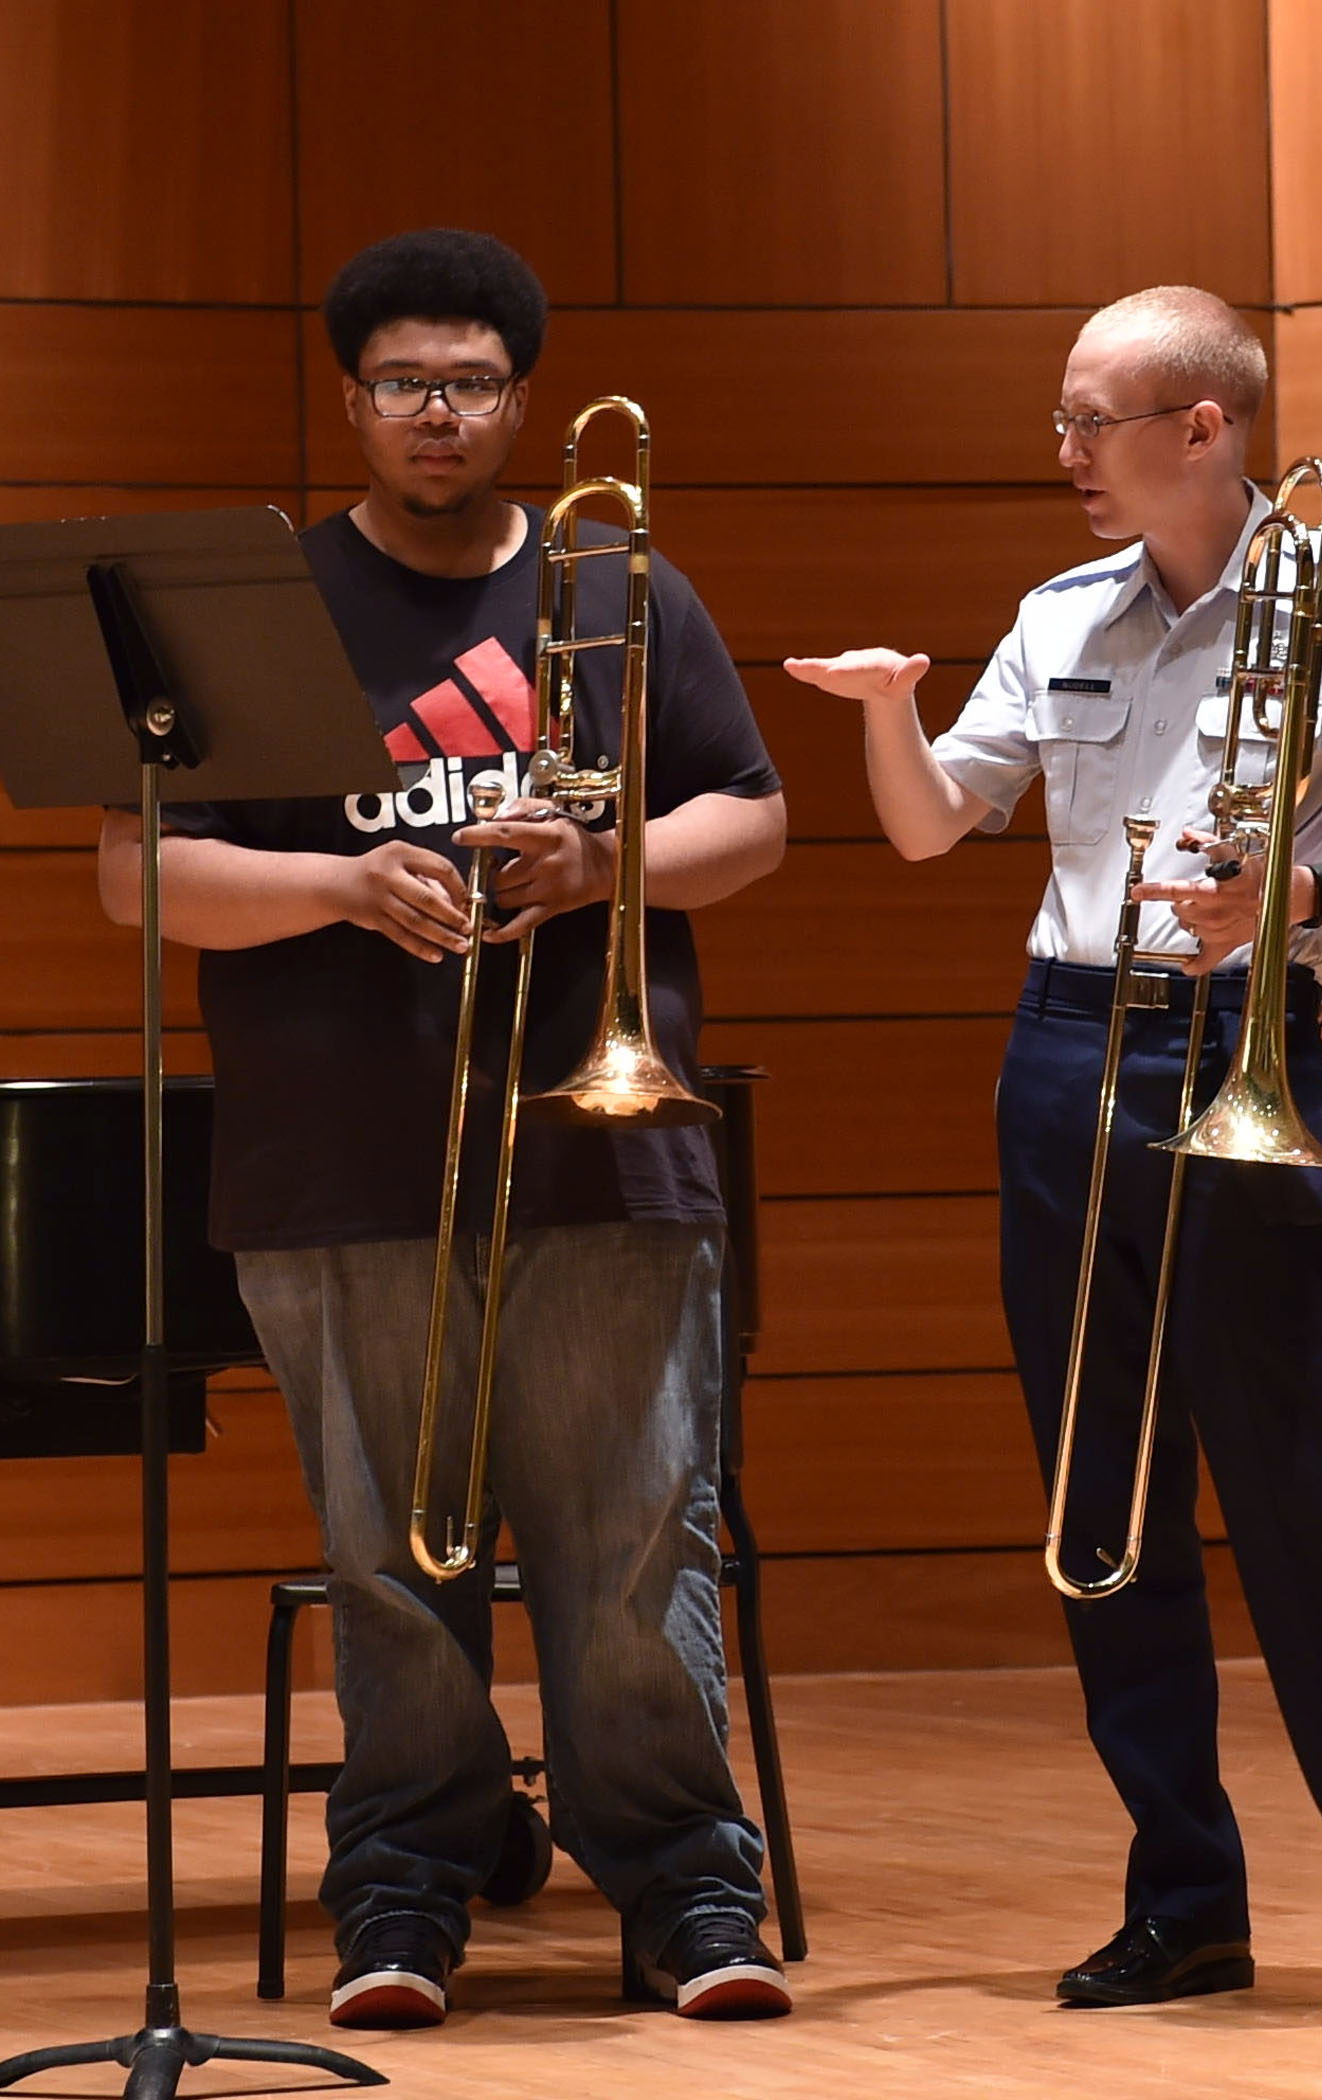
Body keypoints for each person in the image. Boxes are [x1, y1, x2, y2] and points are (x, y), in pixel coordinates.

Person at [98, 227, 792, 2028]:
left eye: (473, 383)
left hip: (598, 1152)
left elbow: (756, 820)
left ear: (522, 402)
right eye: (407, 380)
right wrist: (341, 883)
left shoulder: (617, 583)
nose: (438, 411)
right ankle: (404, 1891)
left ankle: (687, 1900)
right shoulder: (254, 606)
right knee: (390, 1571)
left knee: (636, 1547)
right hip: (340, 1160)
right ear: (353, 399)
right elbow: (133, 874)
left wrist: (602, 862)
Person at [785, 285, 1322, 2024]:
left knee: (1303, 1497)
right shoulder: (1059, 611)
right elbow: (939, 823)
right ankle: (1186, 1892)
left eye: (1096, 420)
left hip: (1238, 1044)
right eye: (1063, 421)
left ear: (1204, 430)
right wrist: (885, 706)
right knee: (1103, 1502)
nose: (1069, 452)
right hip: (1059, 1044)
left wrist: (1303, 894)